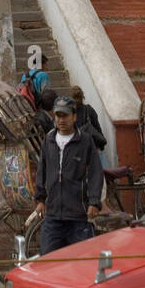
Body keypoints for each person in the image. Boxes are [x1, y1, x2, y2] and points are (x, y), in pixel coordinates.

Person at [34, 94, 103, 255]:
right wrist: (40, 199)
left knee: (83, 263)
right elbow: (41, 170)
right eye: (58, 115)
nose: (61, 120)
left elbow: (95, 172)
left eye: (65, 115)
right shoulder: (48, 140)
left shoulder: (85, 141)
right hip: (52, 217)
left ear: (74, 116)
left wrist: (94, 201)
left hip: (78, 216)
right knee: (48, 262)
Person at [70, 85, 106, 152]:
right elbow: (97, 128)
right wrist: (101, 145)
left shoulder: (68, 112)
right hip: (89, 147)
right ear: (82, 97)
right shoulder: (89, 109)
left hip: (74, 148)